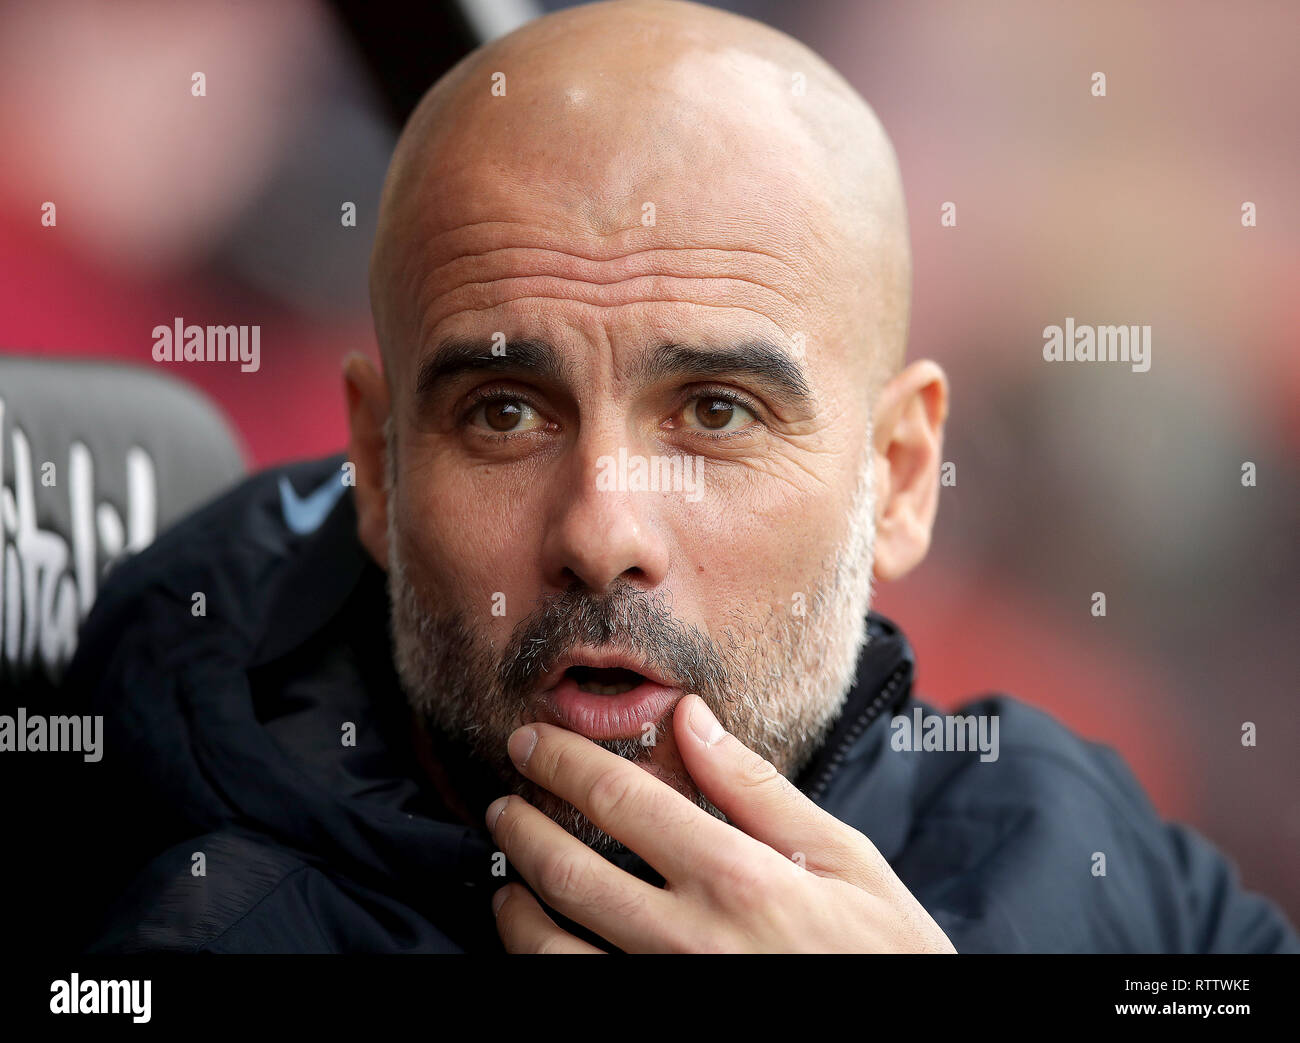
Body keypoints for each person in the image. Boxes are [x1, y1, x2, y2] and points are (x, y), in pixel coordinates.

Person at [67, 0, 1297, 953]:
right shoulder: (213, 933)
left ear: (900, 475)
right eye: (503, 411)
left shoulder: (1064, 825)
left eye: (715, 410)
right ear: (380, 468)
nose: (603, 527)